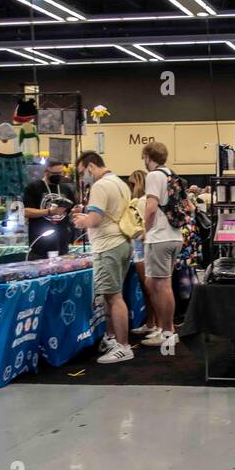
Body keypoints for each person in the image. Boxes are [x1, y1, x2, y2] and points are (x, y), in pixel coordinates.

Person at [70, 152, 133, 364]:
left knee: (114, 297)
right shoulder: (120, 183)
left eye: (81, 173)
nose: (82, 179)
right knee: (112, 295)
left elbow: (95, 220)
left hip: (108, 245)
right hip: (122, 243)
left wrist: (81, 220)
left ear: (90, 167)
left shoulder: (99, 186)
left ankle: (124, 346)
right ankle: (113, 338)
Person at [139, 141, 184, 350]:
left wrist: (145, 229)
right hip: (174, 235)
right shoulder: (172, 175)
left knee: (162, 285)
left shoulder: (154, 175)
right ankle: (163, 329)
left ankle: (168, 332)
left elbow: (151, 206)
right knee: (154, 283)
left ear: (149, 157)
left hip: (160, 236)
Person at [22, 158, 77, 259]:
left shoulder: (66, 189)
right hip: (40, 244)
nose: (58, 176)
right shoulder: (33, 187)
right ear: (46, 171)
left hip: (62, 244)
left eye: (60, 173)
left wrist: (76, 211)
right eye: (55, 173)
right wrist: (49, 211)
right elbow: (26, 212)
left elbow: (71, 211)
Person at [127, 168, 157, 340]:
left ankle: (156, 325)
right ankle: (151, 323)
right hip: (142, 246)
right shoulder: (145, 200)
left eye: (131, 184)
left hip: (141, 247)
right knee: (148, 289)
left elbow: (137, 226)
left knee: (149, 289)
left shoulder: (140, 201)